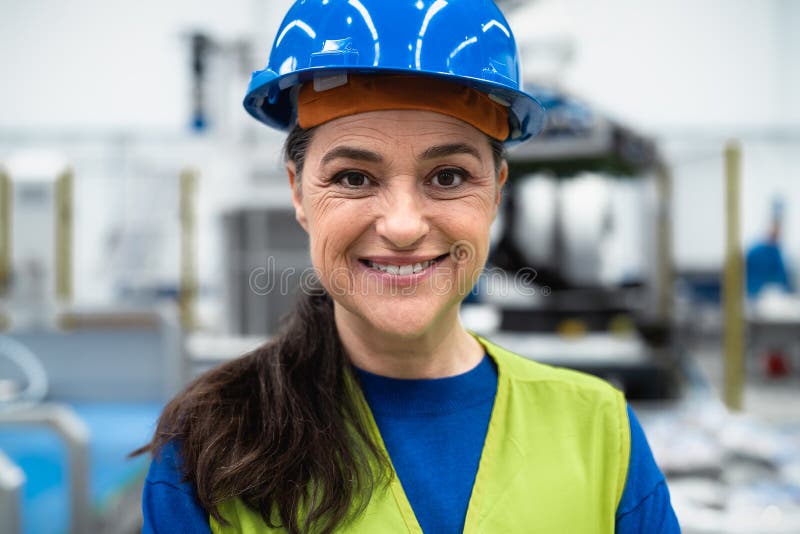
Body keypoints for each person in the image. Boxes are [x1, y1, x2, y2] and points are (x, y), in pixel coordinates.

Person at [138, 1, 679, 532]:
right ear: (298, 192)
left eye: (447, 177)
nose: (402, 226)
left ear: (495, 194)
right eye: (353, 177)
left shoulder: (601, 436)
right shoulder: (208, 448)